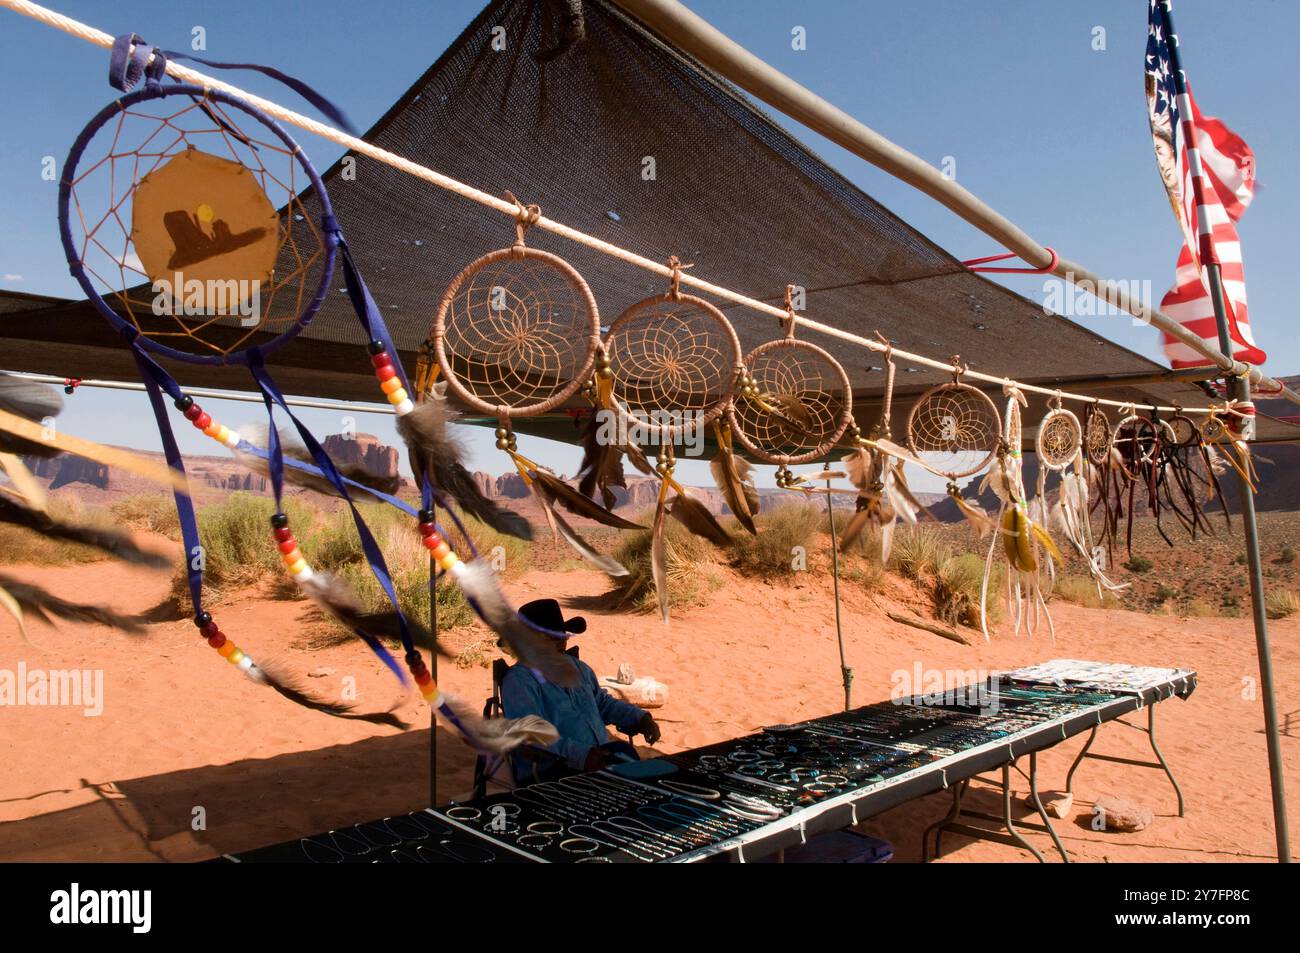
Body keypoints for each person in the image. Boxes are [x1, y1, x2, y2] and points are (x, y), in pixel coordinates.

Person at [500, 599, 661, 781]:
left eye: (562, 637)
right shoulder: (520, 681)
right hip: (553, 771)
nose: (561, 644)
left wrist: (639, 717)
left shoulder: (579, 668)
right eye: (552, 638)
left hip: (598, 757)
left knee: (634, 762)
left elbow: (602, 702)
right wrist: (582, 755)